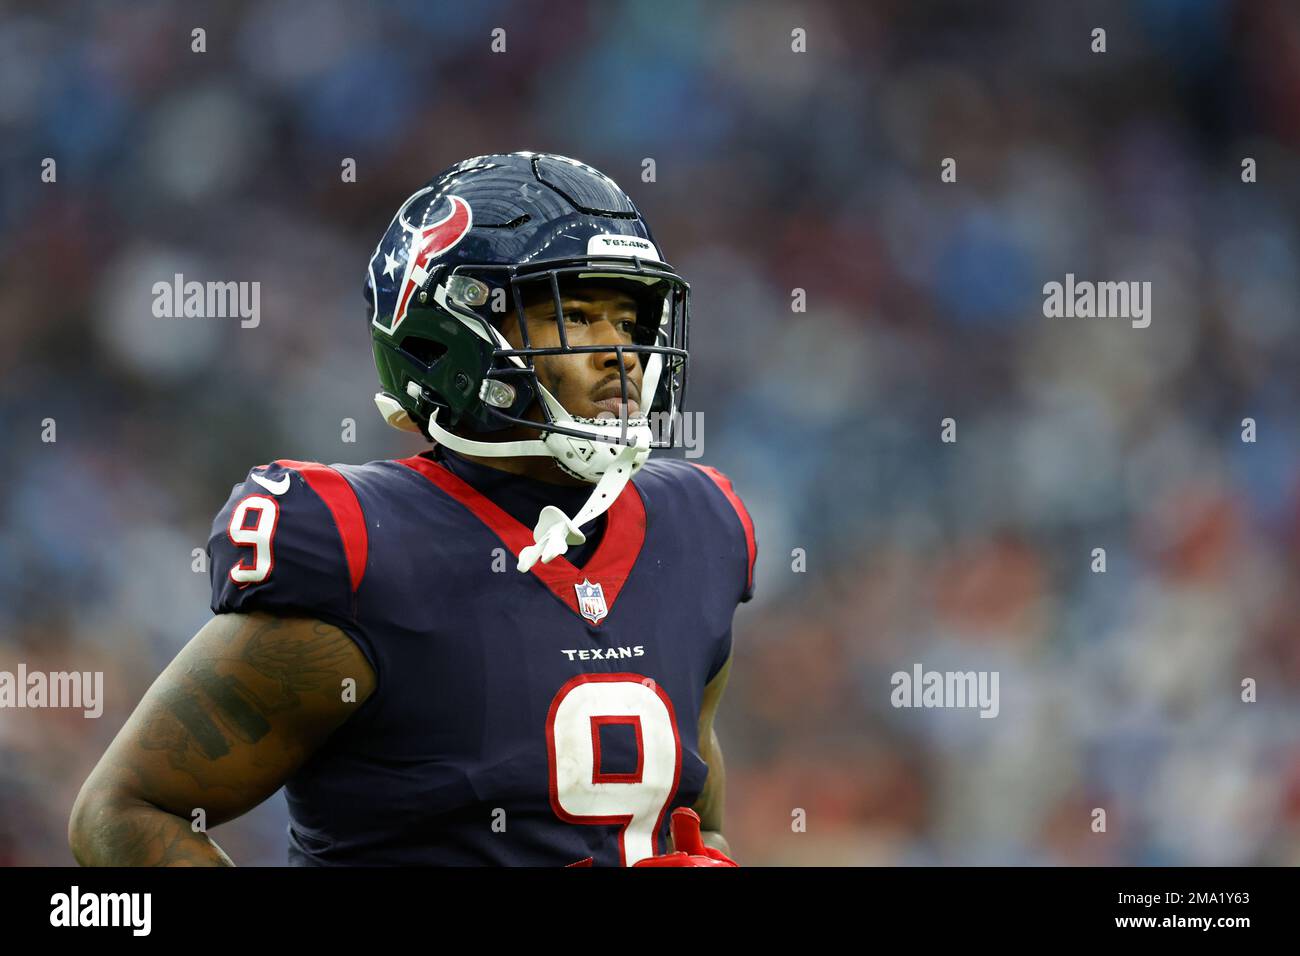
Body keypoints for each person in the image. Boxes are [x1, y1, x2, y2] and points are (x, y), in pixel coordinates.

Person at [68, 151, 756, 866]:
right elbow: (125, 811)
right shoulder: (359, 546)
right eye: (576, 316)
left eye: (629, 319)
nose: (620, 355)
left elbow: (689, 822)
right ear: (445, 337)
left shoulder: (697, 529)